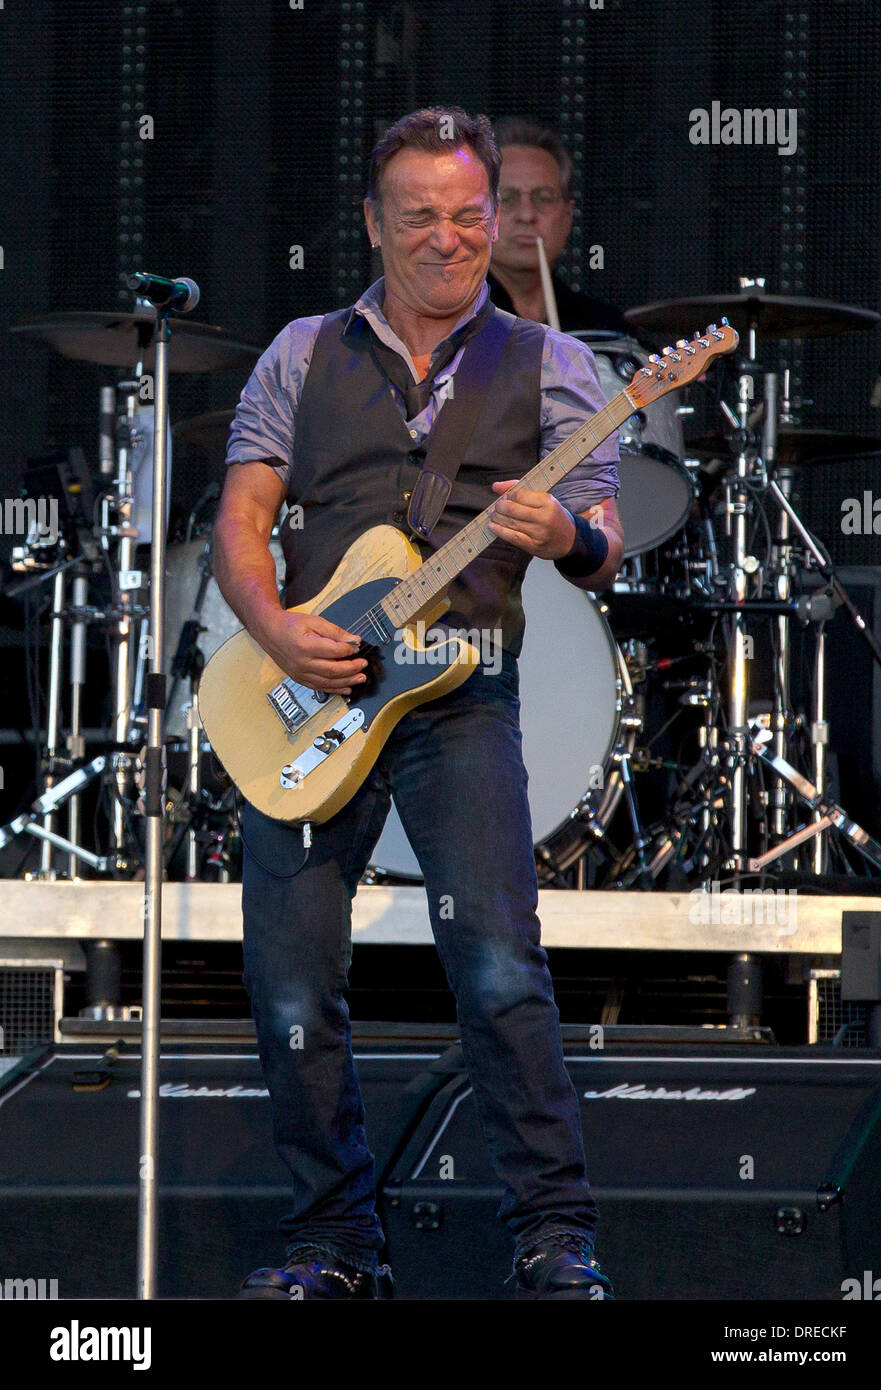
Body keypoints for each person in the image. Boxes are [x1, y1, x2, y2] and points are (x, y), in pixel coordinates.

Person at [214, 105, 623, 1301]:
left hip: (459, 695)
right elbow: (243, 519)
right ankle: (331, 1244)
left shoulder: (558, 367)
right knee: (290, 981)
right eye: (418, 219)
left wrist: (567, 534)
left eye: (466, 215)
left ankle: (554, 1236)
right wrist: (273, 626)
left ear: (494, 215)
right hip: (311, 678)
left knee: (497, 965)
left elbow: (601, 536)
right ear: (372, 223)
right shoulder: (301, 349)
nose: (446, 240)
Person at [487, 116, 627, 332]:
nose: (526, 215)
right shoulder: (453, 324)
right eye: (507, 198)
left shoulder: (605, 327)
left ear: (567, 216)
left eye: (543, 198)